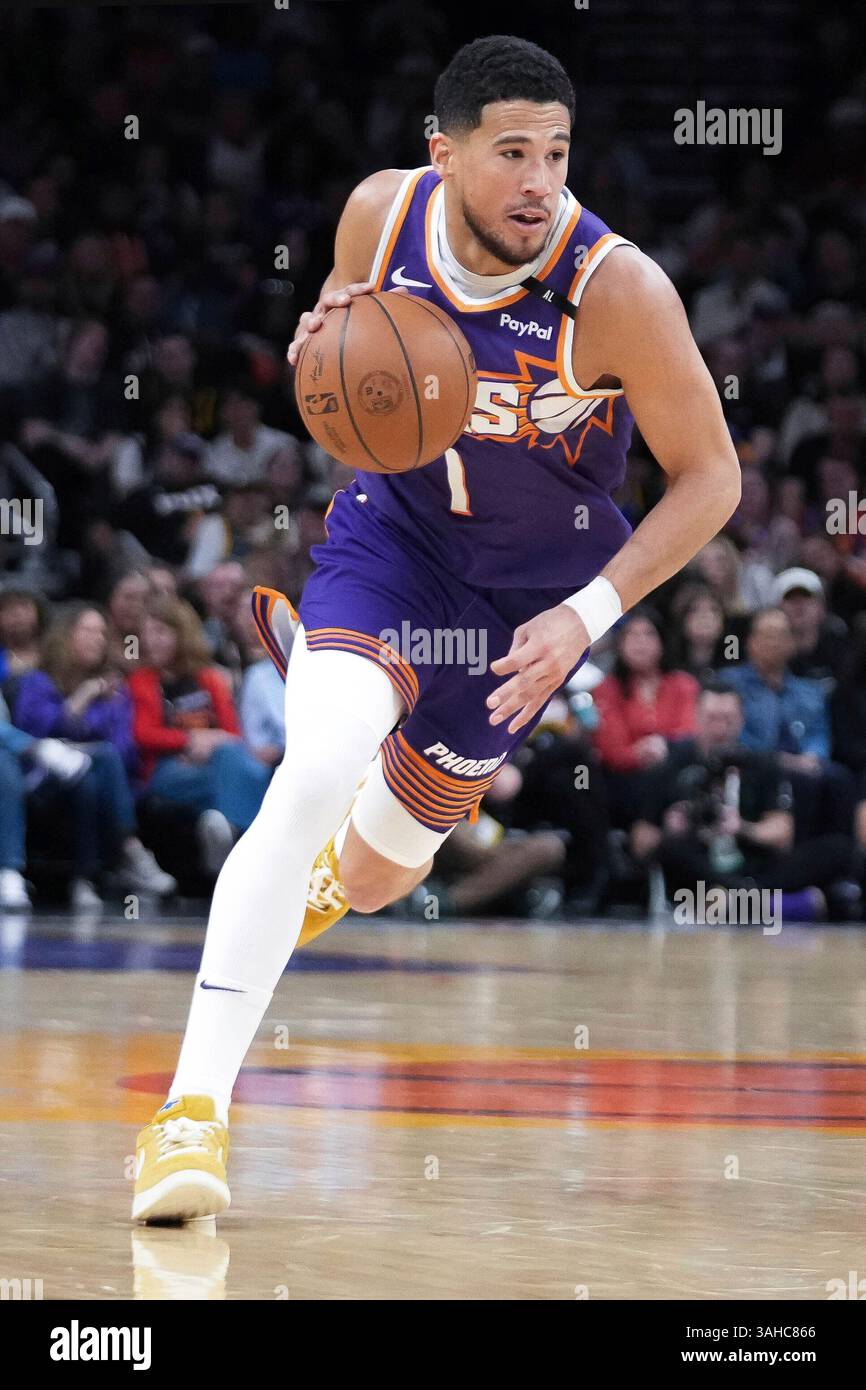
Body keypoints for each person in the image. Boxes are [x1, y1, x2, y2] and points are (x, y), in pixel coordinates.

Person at [131, 34, 741, 1223]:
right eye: (511, 152)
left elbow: (710, 478)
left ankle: (330, 736)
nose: (537, 182)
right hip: (391, 549)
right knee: (311, 773)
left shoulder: (616, 289)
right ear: (442, 152)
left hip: (525, 609)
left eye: (556, 155)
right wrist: (321, 359)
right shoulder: (379, 215)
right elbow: (340, 375)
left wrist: (587, 614)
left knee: (373, 874)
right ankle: (188, 1117)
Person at [631, 682, 858, 919]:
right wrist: (673, 827)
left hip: (753, 864)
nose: (720, 728)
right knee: (669, 850)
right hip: (699, 867)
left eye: (728, 719)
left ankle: (737, 902)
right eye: (712, 719)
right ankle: (769, 905)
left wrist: (742, 827)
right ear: (696, 717)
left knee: (838, 848)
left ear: (741, 720)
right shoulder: (671, 766)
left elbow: (782, 835)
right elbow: (641, 844)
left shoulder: (762, 764)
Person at [12, 604, 176, 907]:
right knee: (97, 760)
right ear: (65, 636)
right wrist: (83, 696)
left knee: (91, 773)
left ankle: (83, 880)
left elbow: (124, 749)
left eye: (102, 632)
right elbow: (32, 736)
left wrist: (81, 741)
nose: (97, 639)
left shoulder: (114, 691)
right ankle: (129, 849)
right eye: (88, 631)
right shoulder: (37, 681)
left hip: (98, 781)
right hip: (43, 778)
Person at [128, 596, 272, 876]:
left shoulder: (208, 679)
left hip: (213, 766)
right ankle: (250, 849)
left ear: (181, 634)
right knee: (247, 774)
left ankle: (221, 824)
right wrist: (190, 740)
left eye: (161, 632)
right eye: (147, 634)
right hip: (169, 770)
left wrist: (212, 741)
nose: (151, 641)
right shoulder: (143, 680)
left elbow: (231, 734)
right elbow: (143, 734)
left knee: (233, 758)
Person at [592, 609, 699, 828]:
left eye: (648, 634)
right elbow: (611, 749)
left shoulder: (683, 685)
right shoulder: (606, 689)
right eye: (632, 635)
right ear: (620, 644)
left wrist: (666, 746)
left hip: (676, 773)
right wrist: (640, 753)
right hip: (627, 780)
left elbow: (690, 733)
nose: (640, 642)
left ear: (662, 641)